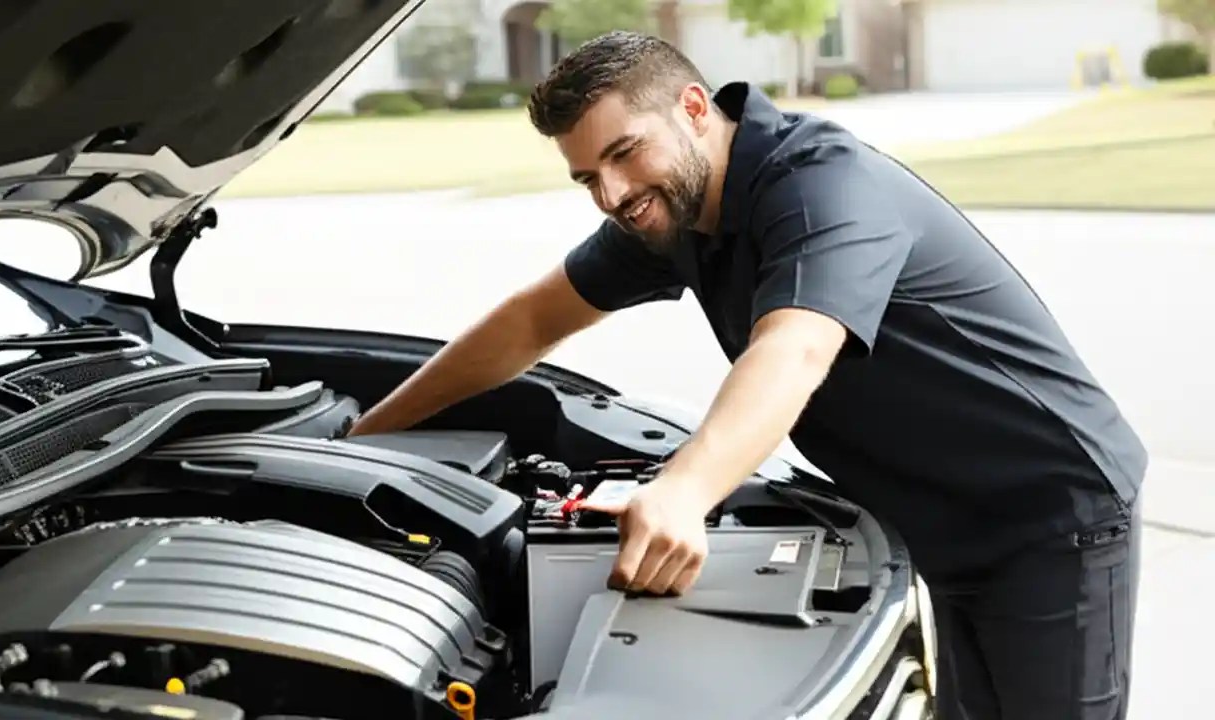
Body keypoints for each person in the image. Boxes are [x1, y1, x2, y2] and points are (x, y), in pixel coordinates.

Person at [348, 31, 1146, 720]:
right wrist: (370, 432)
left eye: (625, 154)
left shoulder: (824, 183)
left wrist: (685, 491)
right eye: (588, 177)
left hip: (1048, 513)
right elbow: (531, 321)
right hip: (943, 524)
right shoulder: (671, 210)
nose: (613, 194)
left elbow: (794, 349)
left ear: (695, 110)